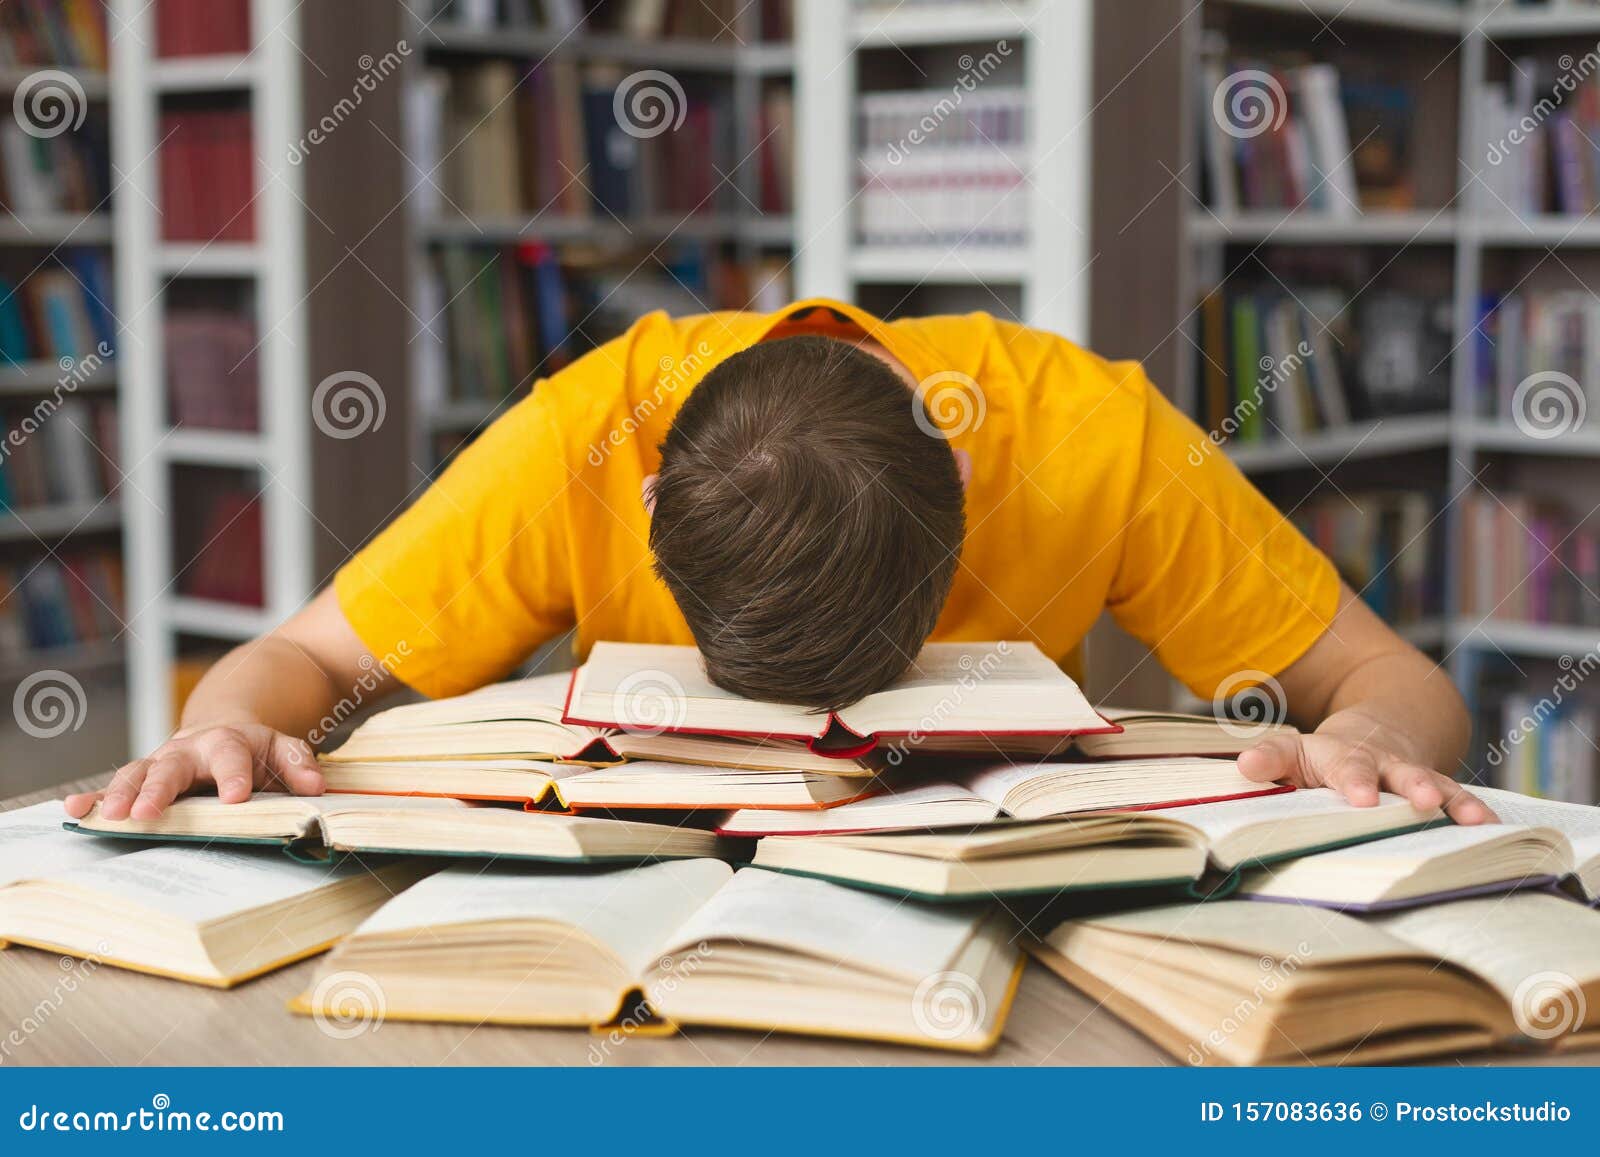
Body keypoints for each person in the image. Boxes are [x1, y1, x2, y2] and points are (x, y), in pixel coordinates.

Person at [65, 298, 1491, 824]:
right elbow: (306, 656)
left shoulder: (1086, 435)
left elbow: (1391, 675)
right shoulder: (586, 431)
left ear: (966, 503)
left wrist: (1366, 729)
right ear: (650, 518)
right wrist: (228, 724)